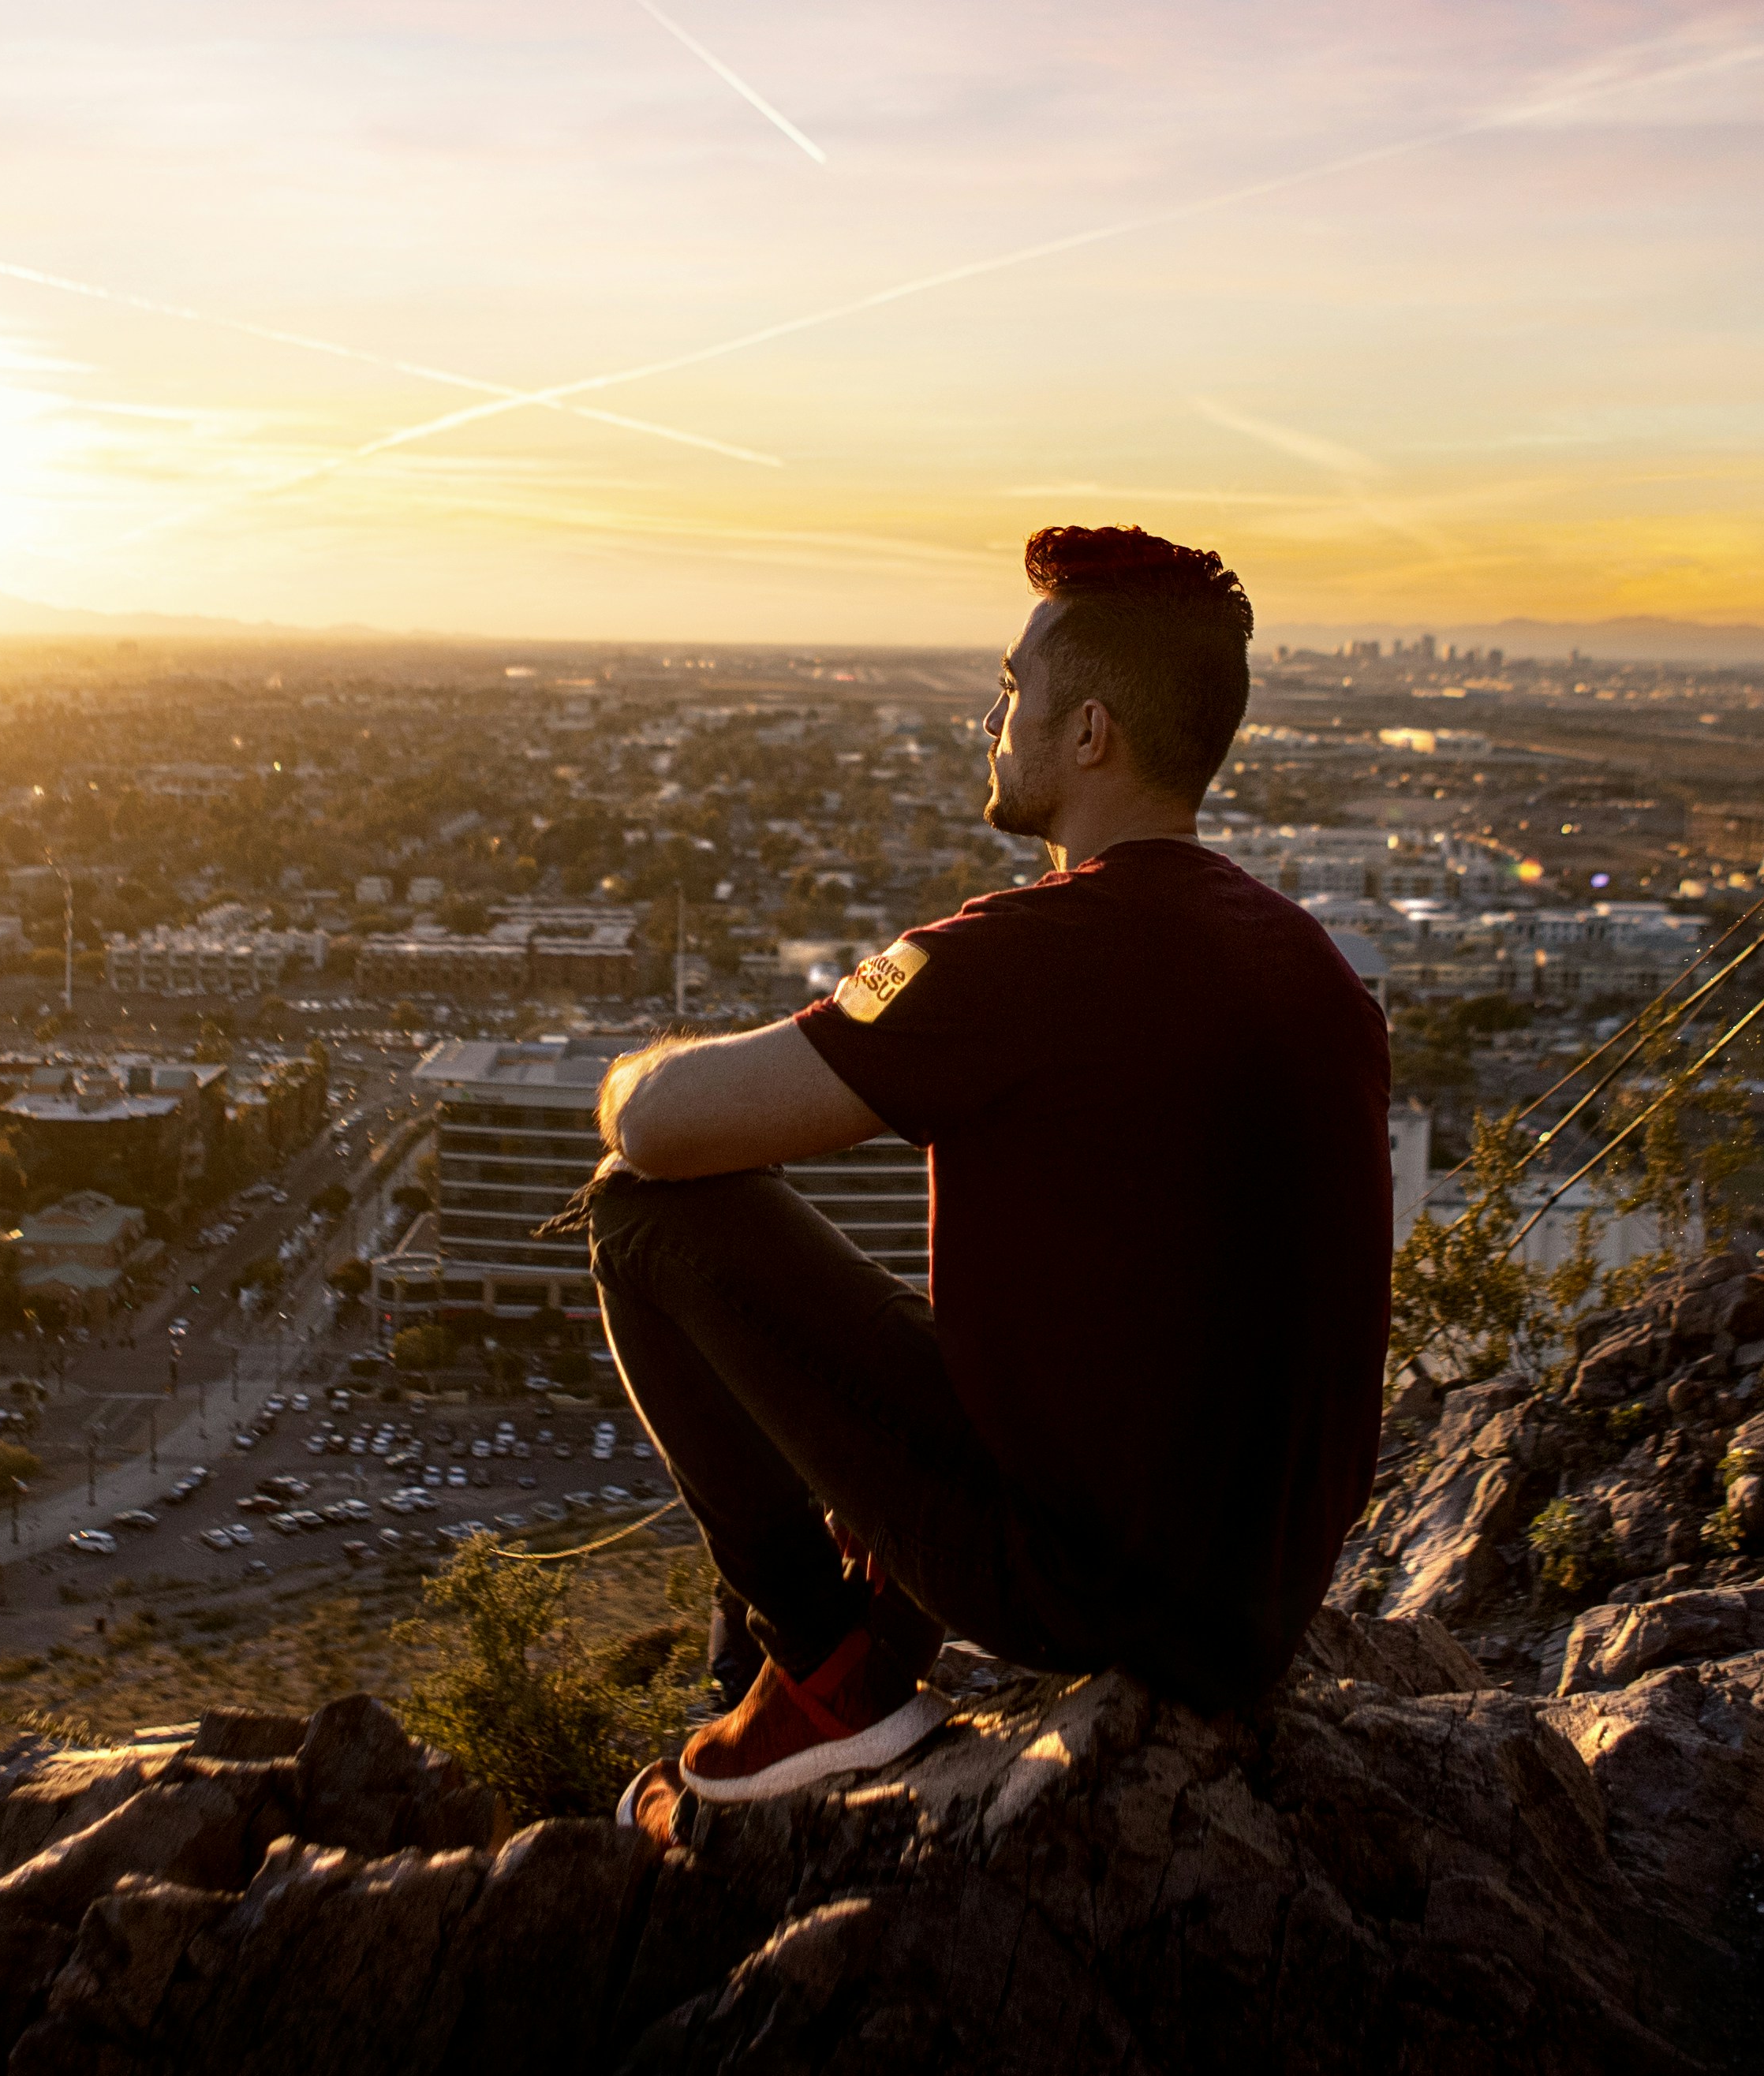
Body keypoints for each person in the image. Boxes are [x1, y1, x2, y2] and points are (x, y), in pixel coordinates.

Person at [584, 525, 1391, 1835]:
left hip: (1086, 1583)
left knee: (642, 1219)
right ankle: (847, 1656)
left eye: (1011, 689)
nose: (989, 717)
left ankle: (823, 1678)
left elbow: (667, 1132)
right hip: (1255, 1593)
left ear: (1086, 735)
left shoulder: (1018, 957)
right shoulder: (1313, 967)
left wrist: (627, 1074)